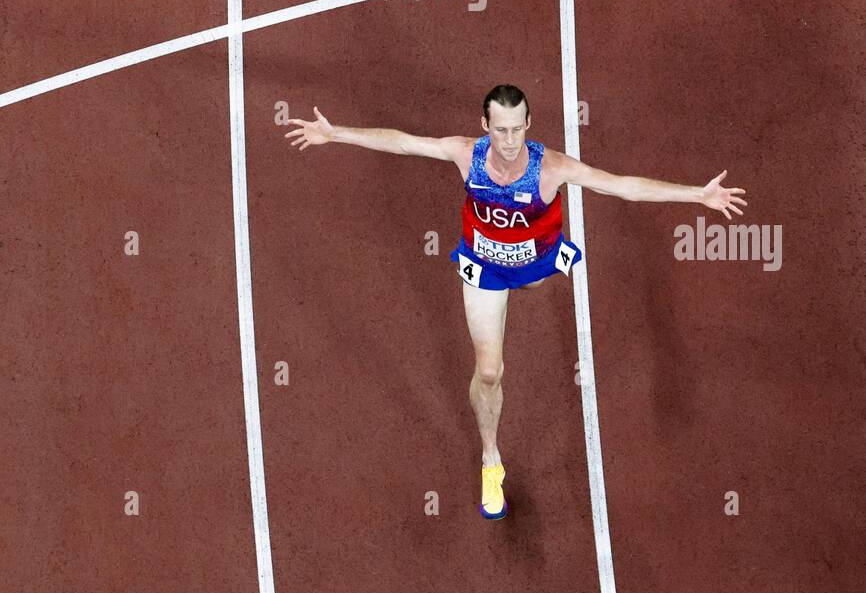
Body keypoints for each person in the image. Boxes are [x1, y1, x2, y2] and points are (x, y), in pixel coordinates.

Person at [285, 84, 748, 520]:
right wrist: (336, 134)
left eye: (518, 128)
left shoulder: (552, 168)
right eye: (500, 129)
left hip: (536, 264)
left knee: (533, 285)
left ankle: (529, 279)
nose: (509, 140)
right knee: (489, 371)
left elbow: (621, 185)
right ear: (485, 126)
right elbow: (405, 143)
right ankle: (491, 459)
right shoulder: (466, 153)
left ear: (530, 123)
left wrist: (696, 195)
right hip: (484, 268)